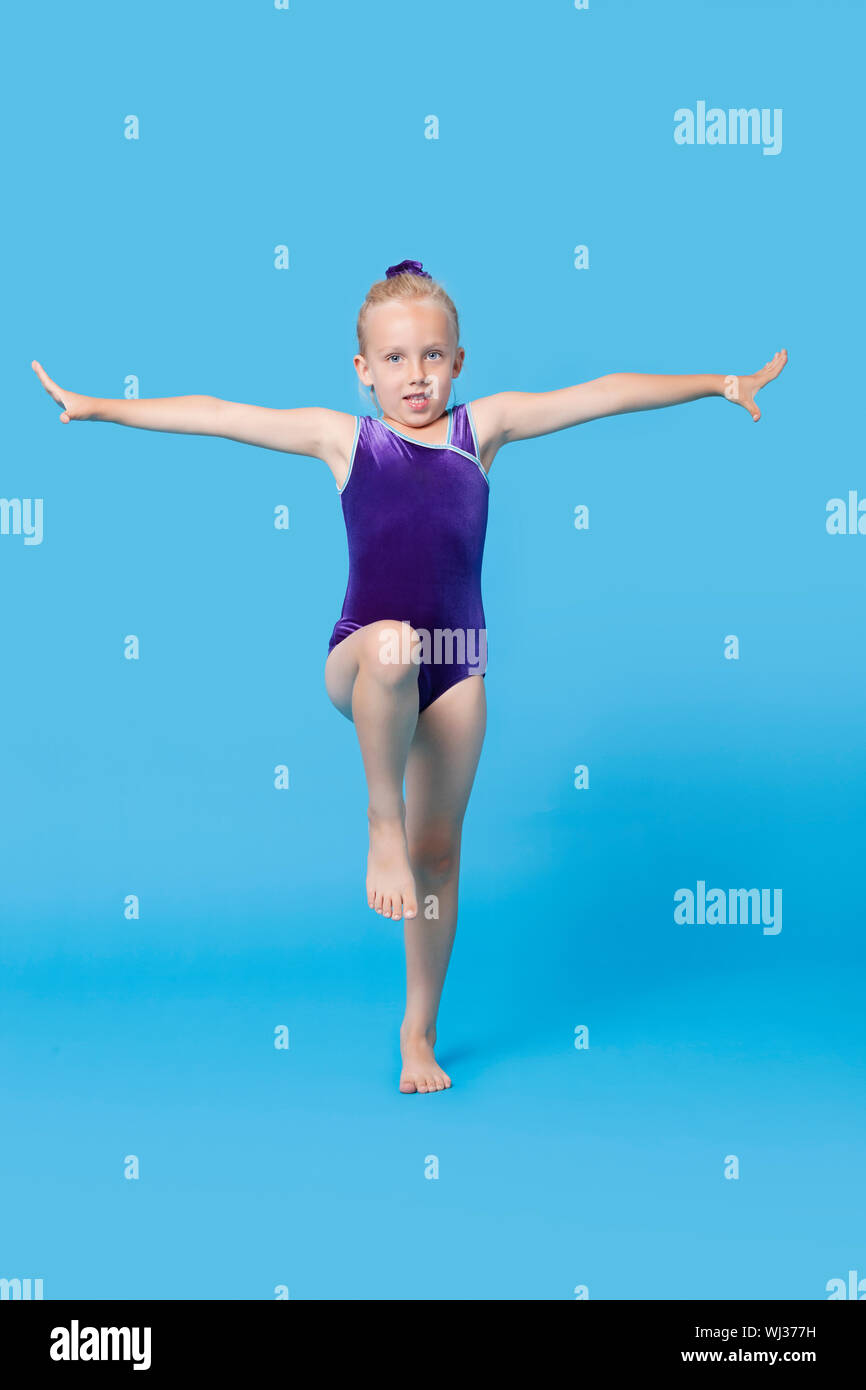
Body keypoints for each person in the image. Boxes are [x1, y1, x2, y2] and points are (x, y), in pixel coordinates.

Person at [31, 259, 788, 1094]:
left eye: (432, 356)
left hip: (457, 665)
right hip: (362, 657)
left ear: (459, 360)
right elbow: (218, 414)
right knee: (394, 649)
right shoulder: (346, 439)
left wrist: (722, 383)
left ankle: (418, 1033)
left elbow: (603, 393)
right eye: (394, 359)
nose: (415, 375)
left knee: (438, 856)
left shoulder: (482, 431)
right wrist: (99, 405)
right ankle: (379, 822)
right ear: (363, 370)